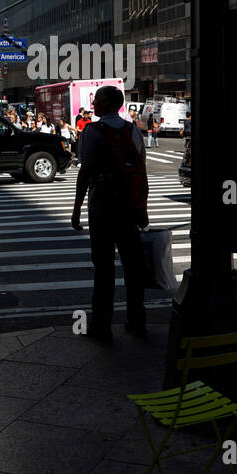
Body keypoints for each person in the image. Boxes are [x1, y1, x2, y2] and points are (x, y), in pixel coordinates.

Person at [70, 85, 148, 342]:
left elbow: (86, 172)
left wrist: (77, 208)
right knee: (133, 268)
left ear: (104, 105)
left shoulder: (92, 131)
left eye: (97, 101)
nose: (93, 105)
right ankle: (137, 321)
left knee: (103, 268)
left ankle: (102, 326)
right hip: (129, 208)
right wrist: (142, 209)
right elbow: (142, 171)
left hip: (102, 207)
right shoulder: (133, 130)